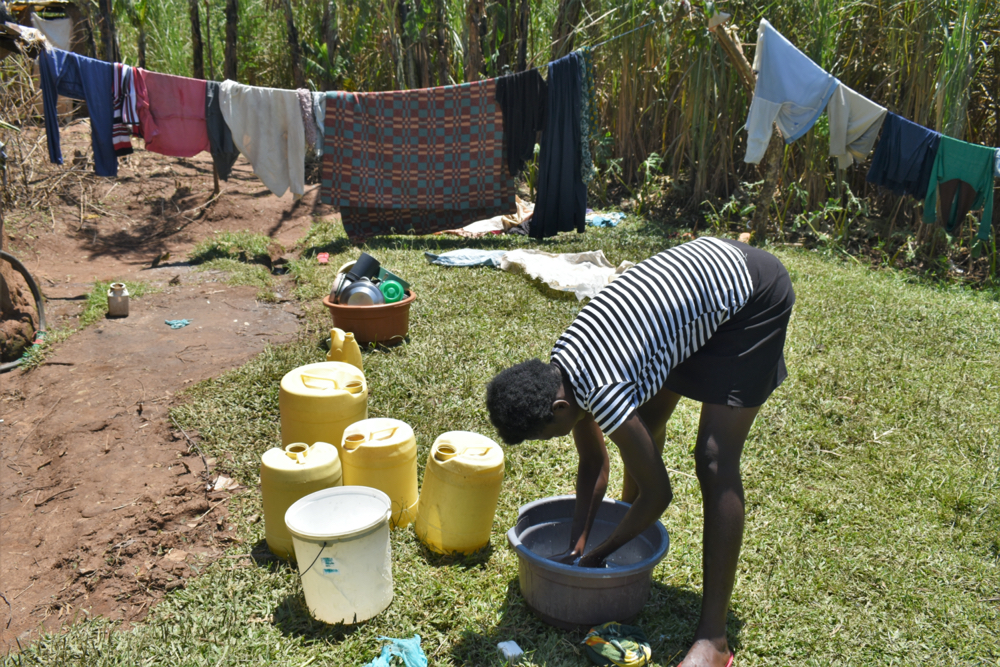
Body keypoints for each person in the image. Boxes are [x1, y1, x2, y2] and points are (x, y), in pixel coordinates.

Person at [486, 236, 794, 667]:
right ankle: (624, 528)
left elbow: (660, 495)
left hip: (751, 295)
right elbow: (594, 462)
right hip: (697, 292)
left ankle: (715, 640)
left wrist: (601, 553)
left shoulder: (603, 391)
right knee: (643, 429)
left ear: (559, 409)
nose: (552, 441)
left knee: (713, 459)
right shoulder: (563, 365)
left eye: (545, 436)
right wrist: (578, 545)